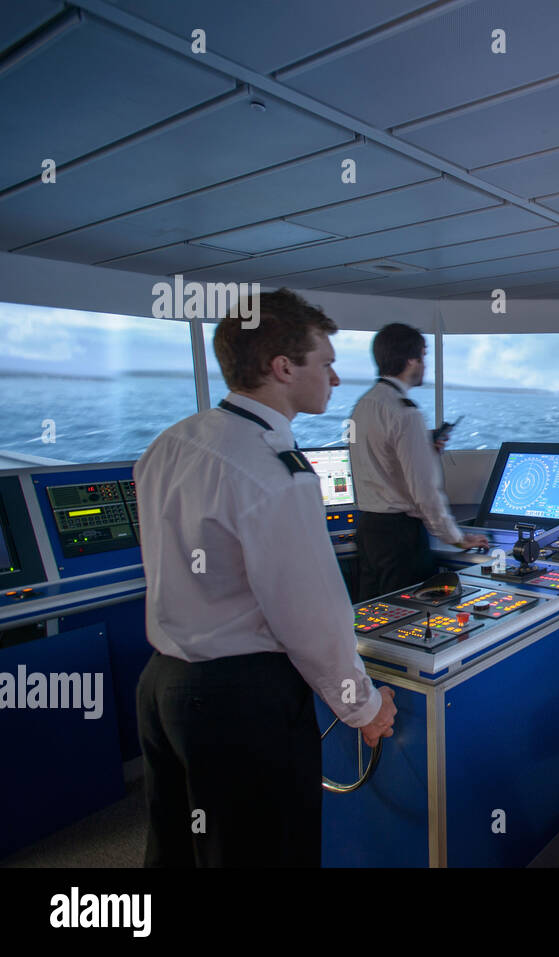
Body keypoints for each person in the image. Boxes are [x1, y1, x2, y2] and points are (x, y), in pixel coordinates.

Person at [134, 288, 397, 867]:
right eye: (325, 362)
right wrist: (363, 706)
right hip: (240, 702)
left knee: (176, 850)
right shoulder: (279, 471)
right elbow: (312, 617)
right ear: (283, 368)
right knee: (262, 853)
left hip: (162, 687)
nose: (334, 377)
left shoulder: (169, 443)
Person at [350, 323, 488, 598]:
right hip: (400, 537)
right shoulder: (406, 414)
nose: (425, 366)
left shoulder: (363, 405)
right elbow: (424, 491)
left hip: (369, 531)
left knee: (371, 618)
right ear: (411, 359)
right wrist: (457, 538)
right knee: (405, 623)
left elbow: (381, 462)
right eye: (423, 357)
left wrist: (425, 449)